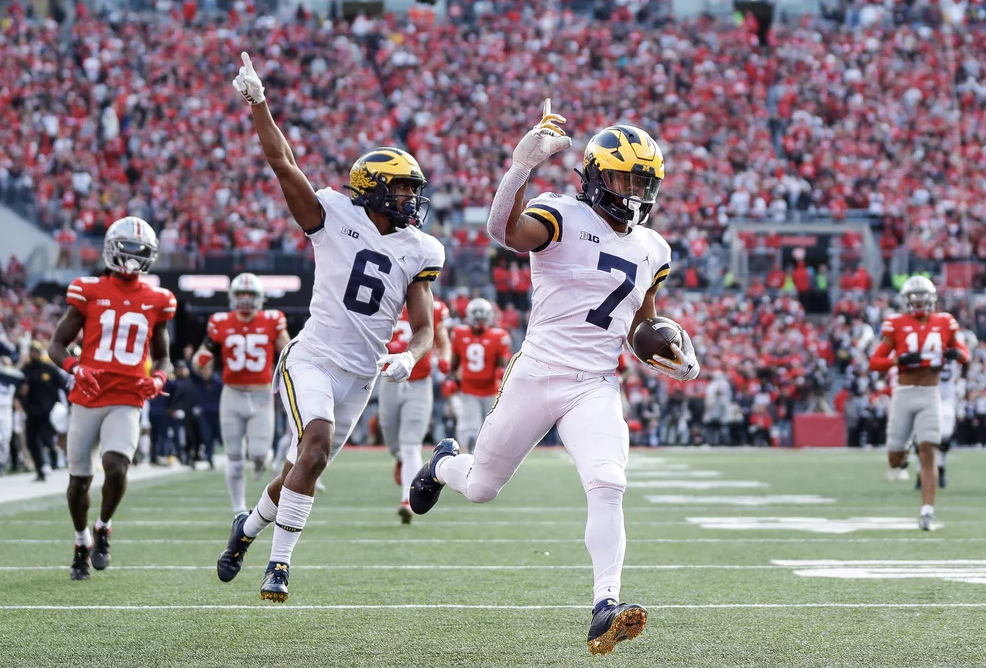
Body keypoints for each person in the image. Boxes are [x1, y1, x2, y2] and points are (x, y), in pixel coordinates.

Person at [409, 103, 700, 655]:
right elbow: (502, 230)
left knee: (608, 482)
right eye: (621, 177)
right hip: (537, 373)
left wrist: (676, 352)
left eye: (642, 180)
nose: (632, 190)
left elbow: (641, 323)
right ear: (593, 174)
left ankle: (605, 605)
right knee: (481, 488)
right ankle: (444, 461)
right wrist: (521, 167)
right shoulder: (561, 214)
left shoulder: (653, 247)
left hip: (594, 382)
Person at [216, 53, 445, 603]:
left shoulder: (420, 249)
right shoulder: (332, 215)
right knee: (313, 450)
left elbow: (423, 326)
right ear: (374, 191)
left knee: (301, 468)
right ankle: (279, 567)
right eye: (403, 190)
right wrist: (259, 104)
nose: (412, 200)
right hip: (313, 359)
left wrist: (410, 357)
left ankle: (246, 530)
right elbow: (282, 161)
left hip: (362, 375)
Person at [48, 216, 176, 580]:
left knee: (117, 466)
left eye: (140, 251)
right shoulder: (87, 290)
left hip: (128, 396)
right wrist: (75, 367)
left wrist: (160, 376)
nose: (133, 257)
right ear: (111, 249)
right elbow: (56, 345)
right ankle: (80, 540)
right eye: (128, 249)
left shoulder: (158, 300)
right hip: (87, 395)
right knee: (79, 480)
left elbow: (163, 354)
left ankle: (103, 527)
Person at [869, 276, 968, 530]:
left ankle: (927, 512)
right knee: (894, 458)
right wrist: (898, 360)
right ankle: (902, 454)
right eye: (915, 299)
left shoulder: (945, 322)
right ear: (906, 302)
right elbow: (875, 362)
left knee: (928, 453)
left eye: (924, 298)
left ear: (932, 299)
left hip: (930, 394)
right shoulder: (896, 324)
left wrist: (957, 354)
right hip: (904, 393)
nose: (920, 303)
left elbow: (964, 352)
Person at [192, 272, 290, 514]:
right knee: (234, 458)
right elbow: (199, 357)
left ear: (259, 298)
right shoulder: (221, 322)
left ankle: (258, 464)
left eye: (250, 295)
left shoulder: (272, 320)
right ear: (233, 297)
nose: (245, 300)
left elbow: (288, 352)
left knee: (259, 454)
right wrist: (199, 362)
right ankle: (238, 510)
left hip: (261, 395)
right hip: (232, 394)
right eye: (241, 295)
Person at [379, 298, 450, 524]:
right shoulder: (383, 301)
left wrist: (445, 359)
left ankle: (406, 502)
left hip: (420, 383)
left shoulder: (433, 305)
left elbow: (443, 340)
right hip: (388, 380)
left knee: (411, 444)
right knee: (392, 437)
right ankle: (401, 458)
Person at [447, 298, 512, 453]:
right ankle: (472, 460)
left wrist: (501, 371)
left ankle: (492, 460)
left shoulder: (499, 336)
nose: (480, 322)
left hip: (491, 390)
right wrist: (452, 379)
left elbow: (503, 364)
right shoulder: (459, 333)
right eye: (478, 318)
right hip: (469, 390)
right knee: (471, 430)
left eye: (482, 318)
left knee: (493, 429)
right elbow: (454, 363)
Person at [19, 341, 67, 481]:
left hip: (49, 411)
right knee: (31, 441)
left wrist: (70, 404)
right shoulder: (25, 371)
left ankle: (50, 460)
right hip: (32, 411)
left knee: (45, 438)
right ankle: (41, 468)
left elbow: (63, 385)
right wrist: (22, 393)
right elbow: (19, 390)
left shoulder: (49, 369)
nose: (33, 354)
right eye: (31, 351)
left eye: (36, 351)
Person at [0, 356, 25, 475]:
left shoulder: (11, 375)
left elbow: (21, 376)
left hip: (6, 409)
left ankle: (2, 463)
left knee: (5, 438)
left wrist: (9, 366)